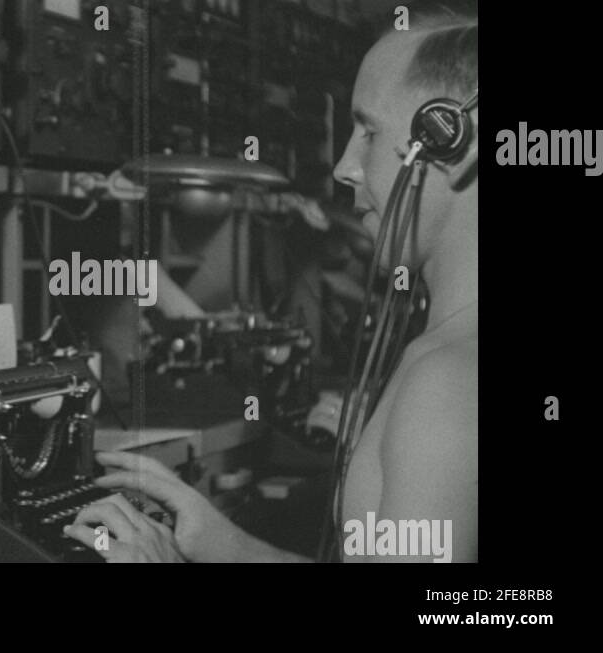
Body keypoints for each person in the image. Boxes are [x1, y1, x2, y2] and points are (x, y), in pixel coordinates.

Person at [63, 0, 478, 562]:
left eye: (369, 133)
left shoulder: (446, 382)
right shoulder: (449, 353)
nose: (344, 167)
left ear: (452, 140)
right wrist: (226, 546)